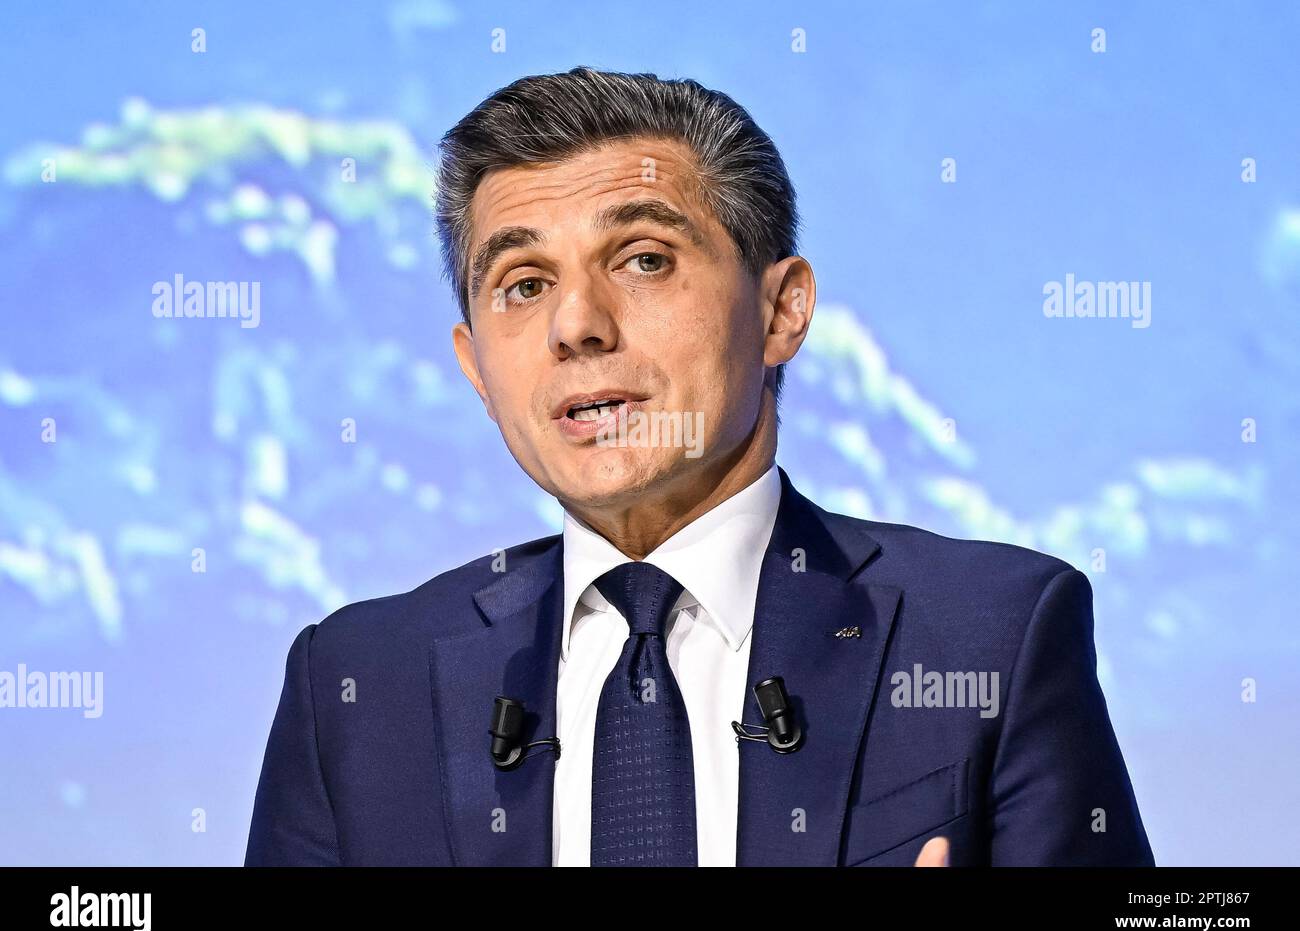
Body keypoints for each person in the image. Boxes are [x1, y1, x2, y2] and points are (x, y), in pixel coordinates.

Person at [245, 67, 1154, 867]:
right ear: (477, 367)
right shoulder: (358, 688)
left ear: (781, 312)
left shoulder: (991, 636)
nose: (577, 326)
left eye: (643, 260)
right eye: (523, 283)